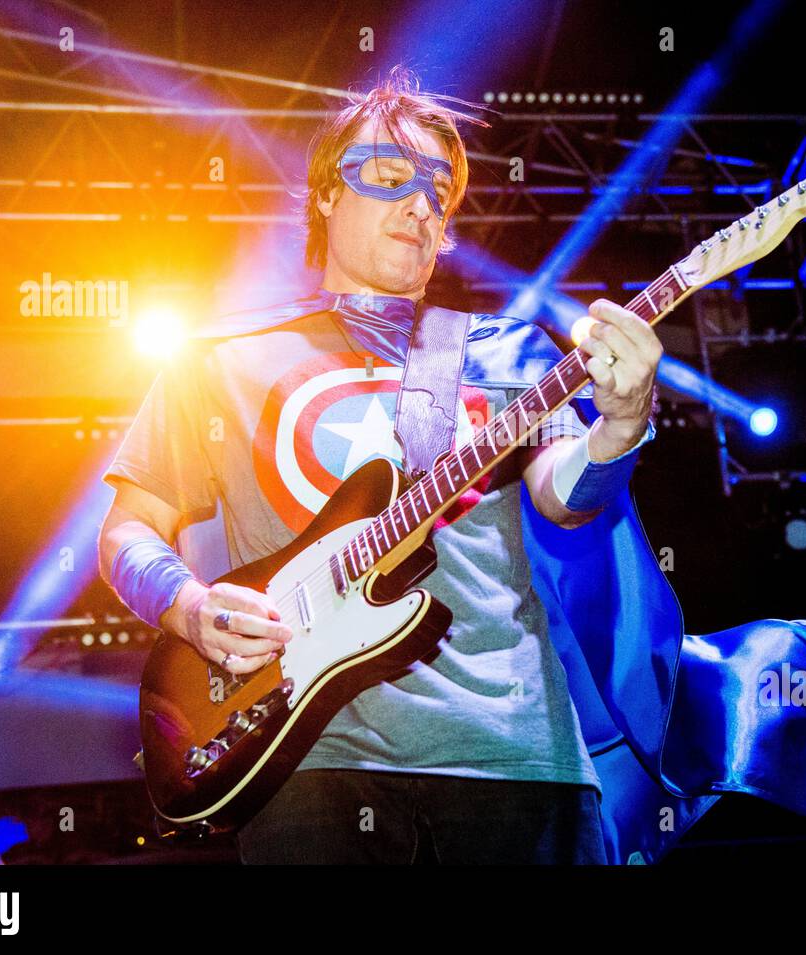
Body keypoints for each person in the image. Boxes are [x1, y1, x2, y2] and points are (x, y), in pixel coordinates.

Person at [97, 66, 662, 864]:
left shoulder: (508, 350)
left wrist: (623, 421)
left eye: (440, 189)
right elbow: (127, 531)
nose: (423, 203)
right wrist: (189, 608)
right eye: (391, 177)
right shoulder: (218, 360)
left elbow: (566, 497)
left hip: (514, 753)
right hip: (308, 761)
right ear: (327, 192)